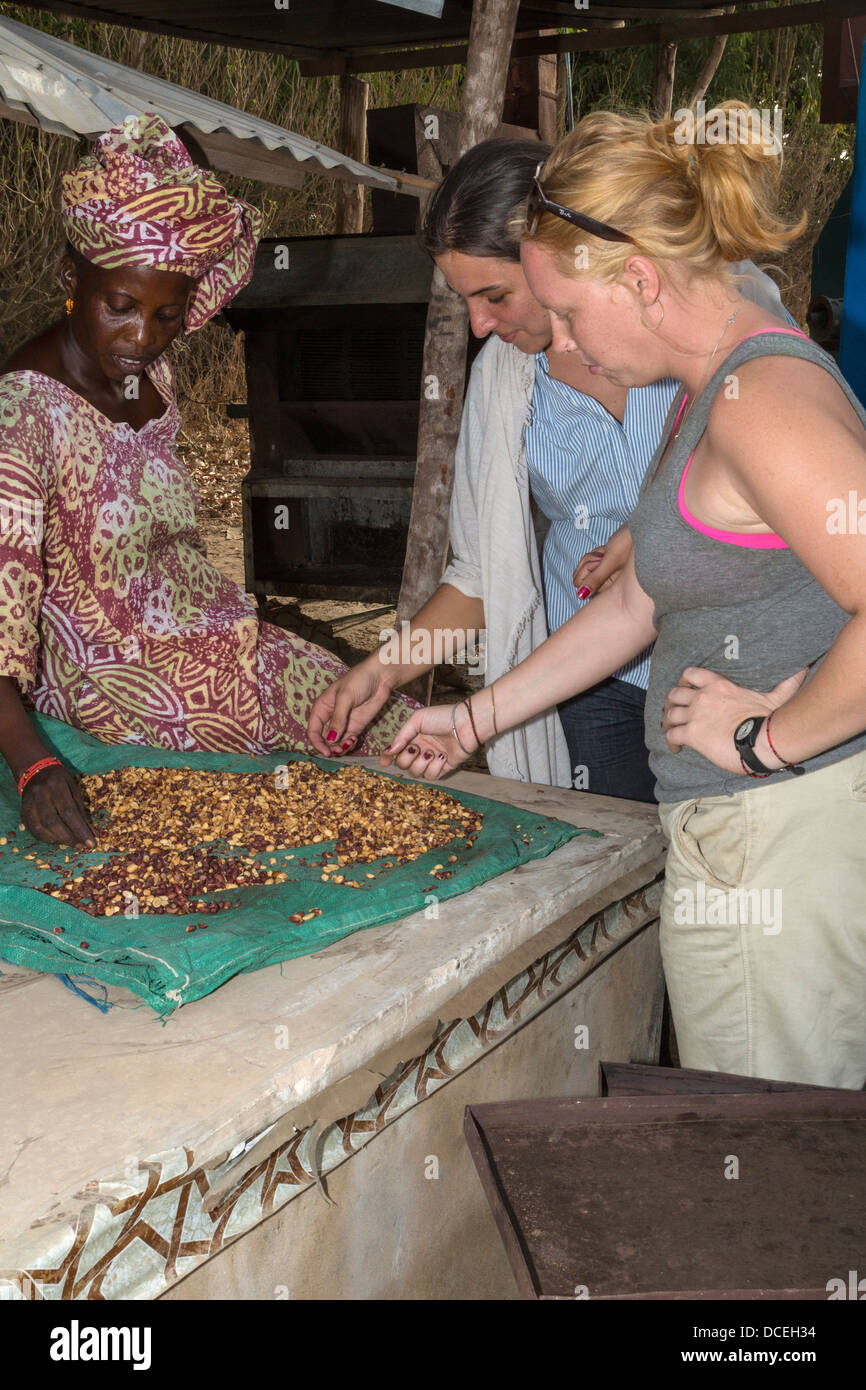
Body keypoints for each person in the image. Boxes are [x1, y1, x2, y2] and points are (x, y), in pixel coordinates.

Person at [380, 103, 866, 1090]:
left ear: (636, 280)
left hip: (773, 844)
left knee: (767, 1167)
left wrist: (764, 737)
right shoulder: (713, 386)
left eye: (562, 313)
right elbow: (629, 608)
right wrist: (472, 712)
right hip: (749, 837)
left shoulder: (757, 400)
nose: (552, 340)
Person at [308, 138, 793, 802]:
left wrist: (775, 733)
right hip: (589, 676)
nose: (479, 326)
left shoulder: (731, 337)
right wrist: (385, 673)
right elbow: (506, 574)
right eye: (465, 302)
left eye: (497, 295)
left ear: (558, 263)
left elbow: (796, 522)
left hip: (735, 669)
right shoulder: (507, 380)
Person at [0, 114, 416, 849]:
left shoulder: (147, 367)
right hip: (120, 692)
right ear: (72, 278)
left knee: (391, 730)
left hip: (224, 643)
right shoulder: (22, 415)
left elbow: (202, 266)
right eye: (120, 307)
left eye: (167, 314)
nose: (144, 337)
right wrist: (35, 767)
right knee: (304, 821)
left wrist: (175, 171)